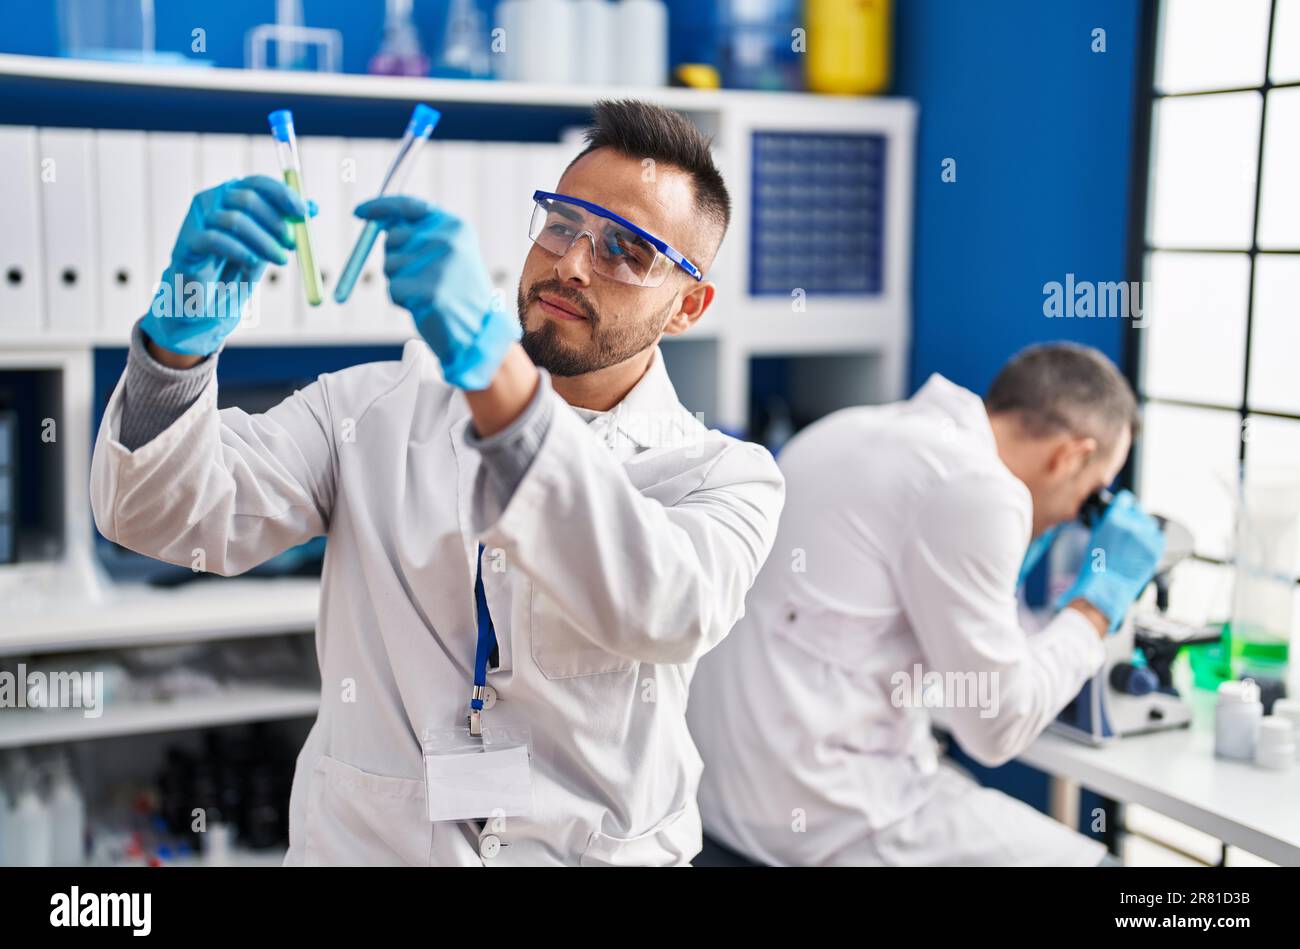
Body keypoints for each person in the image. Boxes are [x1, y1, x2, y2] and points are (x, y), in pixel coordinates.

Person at [90, 99, 784, 866]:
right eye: (562, 224)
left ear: (688, 304)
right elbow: (163, 519)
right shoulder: (373, 409)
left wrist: (492, 371)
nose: (572, 263)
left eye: (626, 250)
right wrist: (174, 350)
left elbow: (660, 606)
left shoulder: (726, 478)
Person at [687, 345, 1164, 866]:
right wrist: (1100, 602)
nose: (1079, 516)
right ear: (1068, 456)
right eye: (1092, 495)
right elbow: (996, 727)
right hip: (828, 821)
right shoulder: (977, 486)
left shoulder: (851, 429)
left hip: (718, 801)